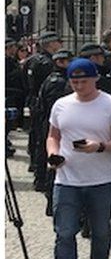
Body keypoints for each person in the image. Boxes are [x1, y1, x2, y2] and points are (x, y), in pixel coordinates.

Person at [41, 58, 111, 259]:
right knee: (64, 235)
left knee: (101, 234)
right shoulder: (61, 105)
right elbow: (52, 136)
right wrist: (52, 154)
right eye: (75, 81)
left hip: (100, 181)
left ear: (95, 79)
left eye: (84, 80)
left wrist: (99, 146)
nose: (79, 85)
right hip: (66, 180)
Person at [36, 49, 75, 214]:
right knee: (56, 164)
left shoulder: (55, 79)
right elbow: (57, 110)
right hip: (55, 126)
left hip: (53, 124)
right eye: (68, 61)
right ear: (60, 62)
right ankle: (53, 202)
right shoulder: (57, 82)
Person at [25, 31, 61, 174]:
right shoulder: (47, 63)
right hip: (43, 100)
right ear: (51, 44)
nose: (60, 44)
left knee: (35, 132)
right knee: (43, 135)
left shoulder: (31, 60)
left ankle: (34, 161)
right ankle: (40, 168)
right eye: (58, 41)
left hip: (33, 98)